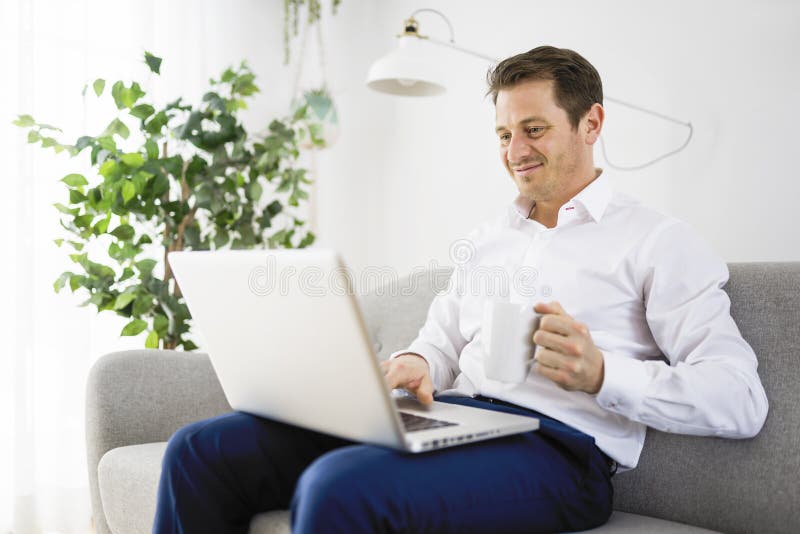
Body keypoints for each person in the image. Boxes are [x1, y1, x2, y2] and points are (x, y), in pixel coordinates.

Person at [153, 46, 768, 533]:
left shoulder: (658, 240)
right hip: (455, 416)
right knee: (201, 451)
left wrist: (604, 374)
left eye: (533, 129)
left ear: (591, 123)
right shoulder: (488, 238)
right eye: (503, 134)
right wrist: (417, 362)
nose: (515, 151)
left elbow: (740, 399)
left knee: (339, 487)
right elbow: (441, 342)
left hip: (560, 453)